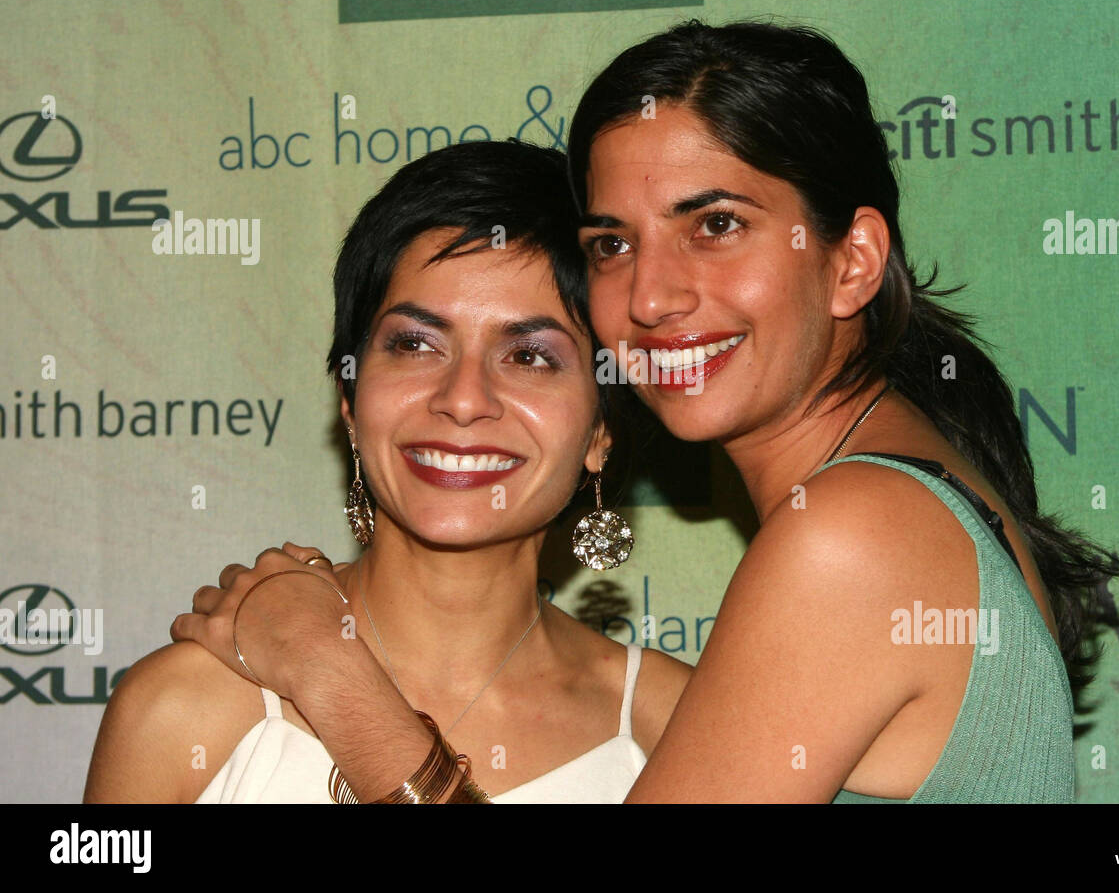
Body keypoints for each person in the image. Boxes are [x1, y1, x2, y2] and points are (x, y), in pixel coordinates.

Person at [170, 20, 1119, 803]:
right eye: (610, 244)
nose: (651, 296)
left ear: (852, 259)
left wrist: (328, 674)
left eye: (715, 225)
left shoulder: (853, 536)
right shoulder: (912, 494)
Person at [82, 140, 690, 804]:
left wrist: (329, 669)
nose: (461, 399)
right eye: (414, 344)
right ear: (348, 399)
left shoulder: (675, 728)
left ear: (602, 429)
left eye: (530, 357)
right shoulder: (183, 710)